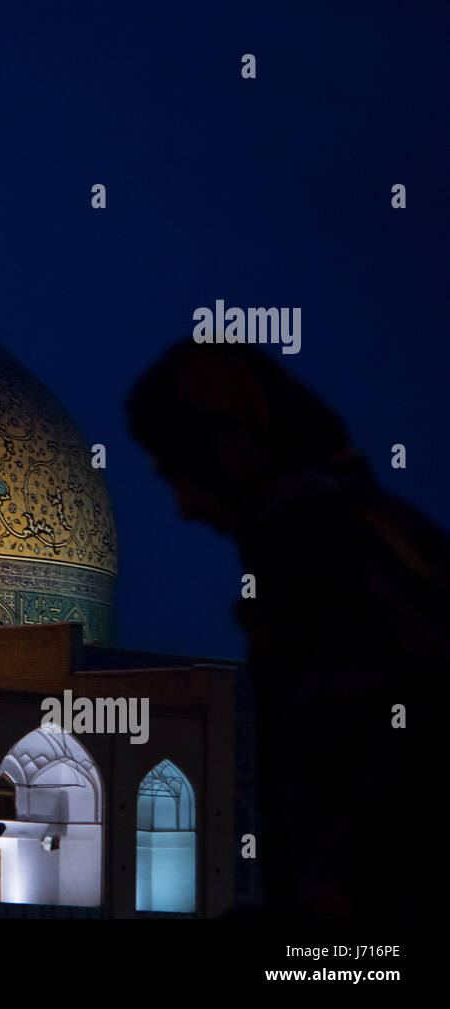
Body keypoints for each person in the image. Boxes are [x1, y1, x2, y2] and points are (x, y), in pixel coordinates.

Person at [125, 340, 445, 918]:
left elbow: (352, 748)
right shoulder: (379, 529)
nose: (184, 507)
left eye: (182, 474)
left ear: (233, 451)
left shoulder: (312, 544)